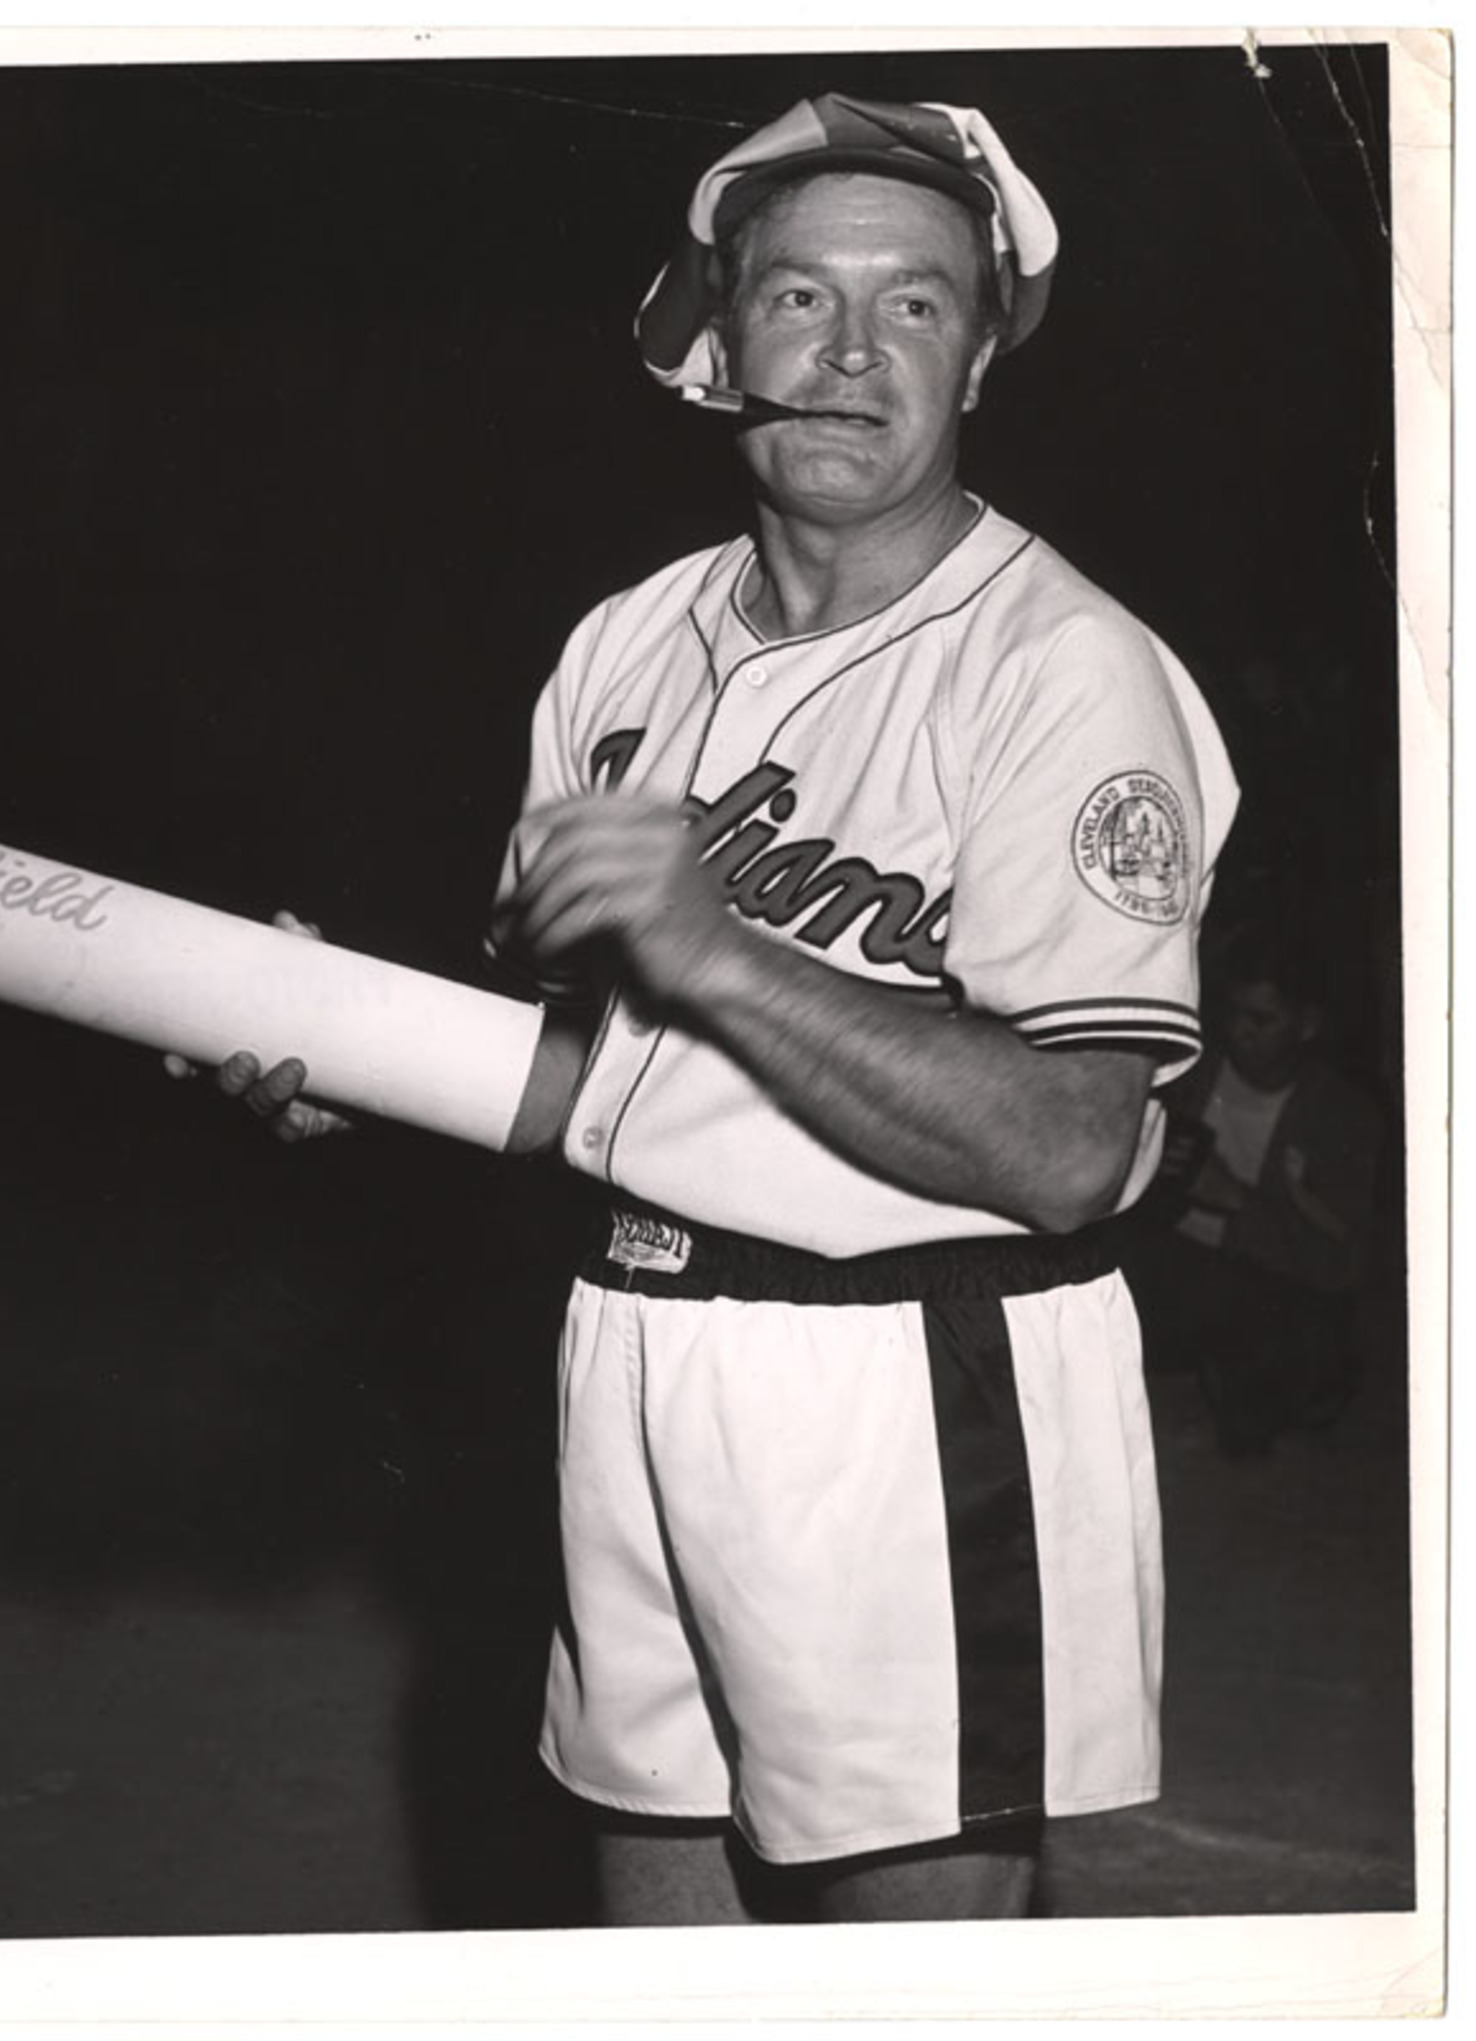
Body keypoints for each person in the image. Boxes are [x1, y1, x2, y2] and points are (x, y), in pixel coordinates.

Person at [185, 94, 1237, 1923]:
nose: (849, 354)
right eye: (800, 299)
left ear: (983, 355)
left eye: (914, 307)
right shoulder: (623, 644)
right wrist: (362, 1050)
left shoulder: (1070, 671)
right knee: (660, 1944)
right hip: (635, 1351)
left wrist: (727, 948)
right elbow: (605, 1079)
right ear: (714, 339)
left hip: (913, 1387)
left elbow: (1084, 1150)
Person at [1134, 929, 1383, 1455]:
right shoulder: (1191, 1070)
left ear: (1307, 1025)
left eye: (1262, 1019)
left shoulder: (1344, 1117)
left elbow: (1344, 1266)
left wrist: (1235, 1199)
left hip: (1270, 1279)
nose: (1239, 1032)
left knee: (1303, 1353)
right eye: (1233, 1013)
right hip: (1175, 1261)